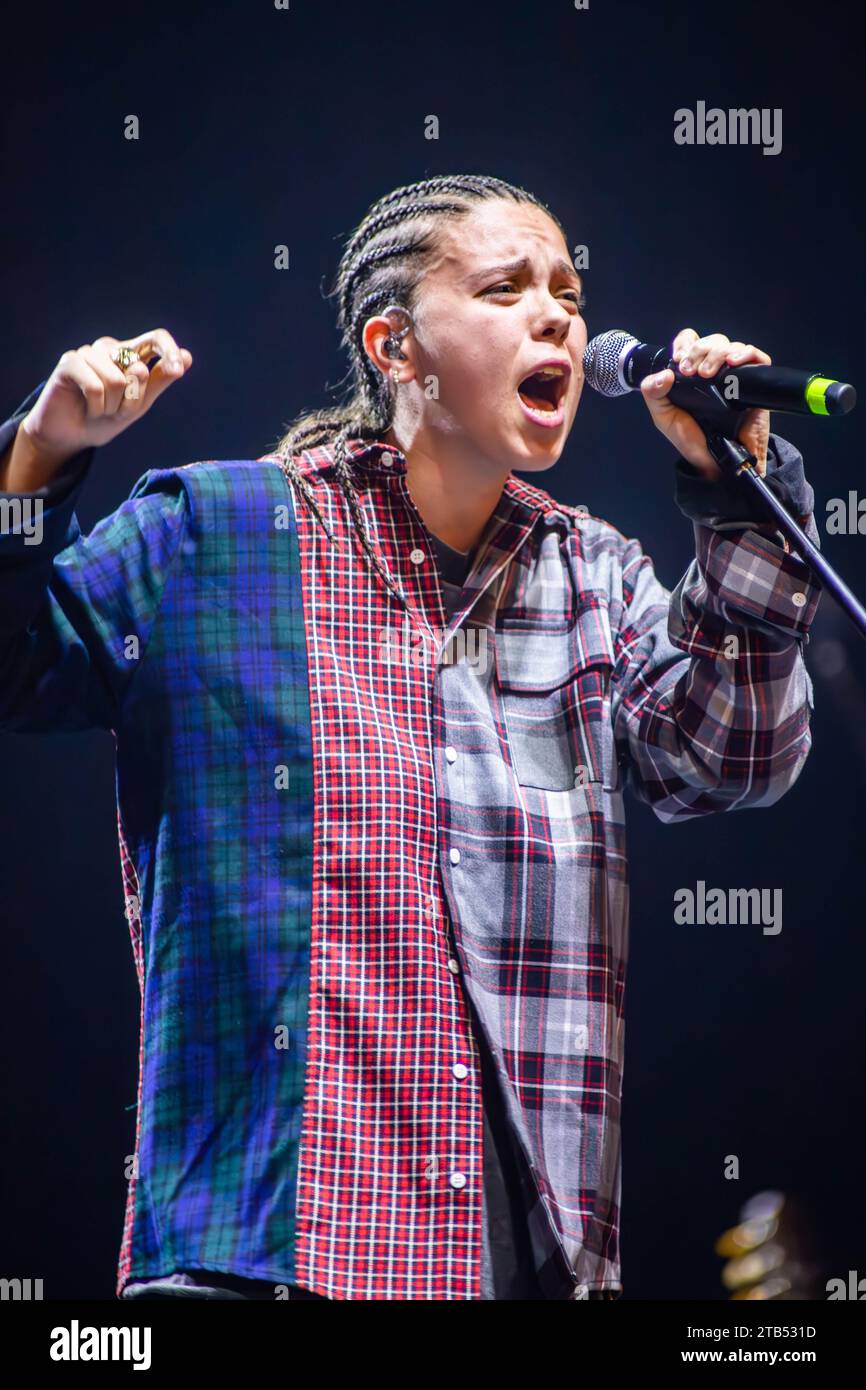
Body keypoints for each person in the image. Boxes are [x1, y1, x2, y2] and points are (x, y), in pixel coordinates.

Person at [0, 173, 820, 1301]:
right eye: (504, 288)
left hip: (519, 1264)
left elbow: (734, 755)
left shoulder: (589, 575)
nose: (557, 318)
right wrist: (38, 460)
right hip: (262, 1256)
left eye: (569, 296)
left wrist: (730, 486)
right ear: (395, 348)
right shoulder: (219, 533)